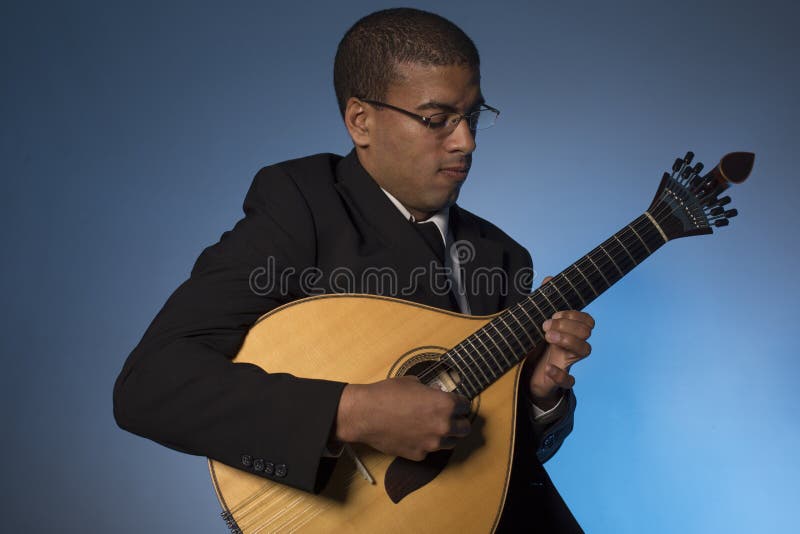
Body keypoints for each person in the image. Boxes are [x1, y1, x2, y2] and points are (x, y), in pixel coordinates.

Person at [113, 8, 594, 533]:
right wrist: (351, 412)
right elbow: (150, 385)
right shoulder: (302, 207)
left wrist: (542, 395)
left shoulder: (502, 256)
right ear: (360, 120)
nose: (466, 143)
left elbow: (498, 460)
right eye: (438, 120)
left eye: (473, 117)